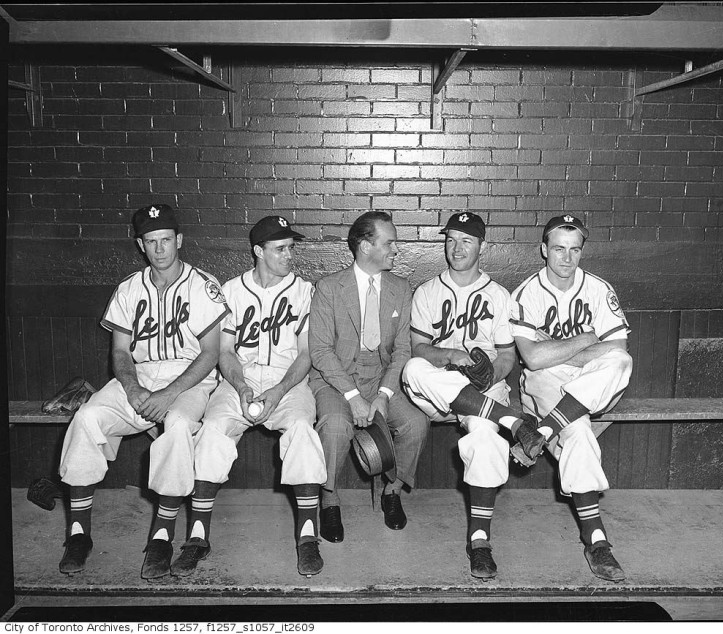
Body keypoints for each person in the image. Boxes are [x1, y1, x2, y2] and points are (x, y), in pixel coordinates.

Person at [57, 204, 229, 579]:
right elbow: (120, 352)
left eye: (166, 239)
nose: (159, 248)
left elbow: (211, 354)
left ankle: (162, 537)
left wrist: (168, 395)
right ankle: (79, 534)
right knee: (87, 417)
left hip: (189, 378)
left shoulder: (203, 285)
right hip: (140, 375)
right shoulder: (129, 288)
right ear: (141, 245)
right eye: (151, 241)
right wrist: (132, 387)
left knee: (178, 425)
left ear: (179, 240)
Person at [184, 216, 327, 578]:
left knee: (302, 429)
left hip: (288, 381)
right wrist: (241, 385)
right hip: (239, 380)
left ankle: (307, 536)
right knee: (212, 430)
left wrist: (279, 391)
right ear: (259, 252)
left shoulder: (304, 291)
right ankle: (198, 536)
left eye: (291, 248)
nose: (289, 255)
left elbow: (306, 354)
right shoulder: (231, 290)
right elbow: (225, 351)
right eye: (280, 249)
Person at [402, 212, 531, 581]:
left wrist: (493, 374)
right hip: (438, 386)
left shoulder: (498, 295)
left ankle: (480, 540)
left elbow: (506, 355)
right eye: (451, 240)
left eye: (466, 241)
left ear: (481, 246)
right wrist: (449, 355)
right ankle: (513, 420)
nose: (456, 248)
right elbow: (419, 348)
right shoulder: (427, 292)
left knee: (485, 436)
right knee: (413, 369)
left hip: (484, 387)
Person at [509, 214, 633, 582]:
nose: (566, 258)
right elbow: (533, 359)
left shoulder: (598, 288)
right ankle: (596, 540)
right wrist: (585, 340)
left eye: (574, 250)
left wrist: (558, 350)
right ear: (544, 249)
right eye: (559, 249)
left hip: (589, 381)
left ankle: (545, 430)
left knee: (621, 362)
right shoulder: (525, 293)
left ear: (581, 252)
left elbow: (618, 347)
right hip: (545, 381)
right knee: (578, 431)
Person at [308, 211, 429, 543]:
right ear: (364, 246)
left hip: (382, 377)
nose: (396, 249)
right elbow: (320, 351)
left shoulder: (400, 288)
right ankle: (329, 498)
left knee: (416, 424)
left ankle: (393, 491)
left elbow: (402, 350)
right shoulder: (329, 288)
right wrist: (353, 398)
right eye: (389, 243)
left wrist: (384, 395)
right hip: (337, 379)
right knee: (335, 427)